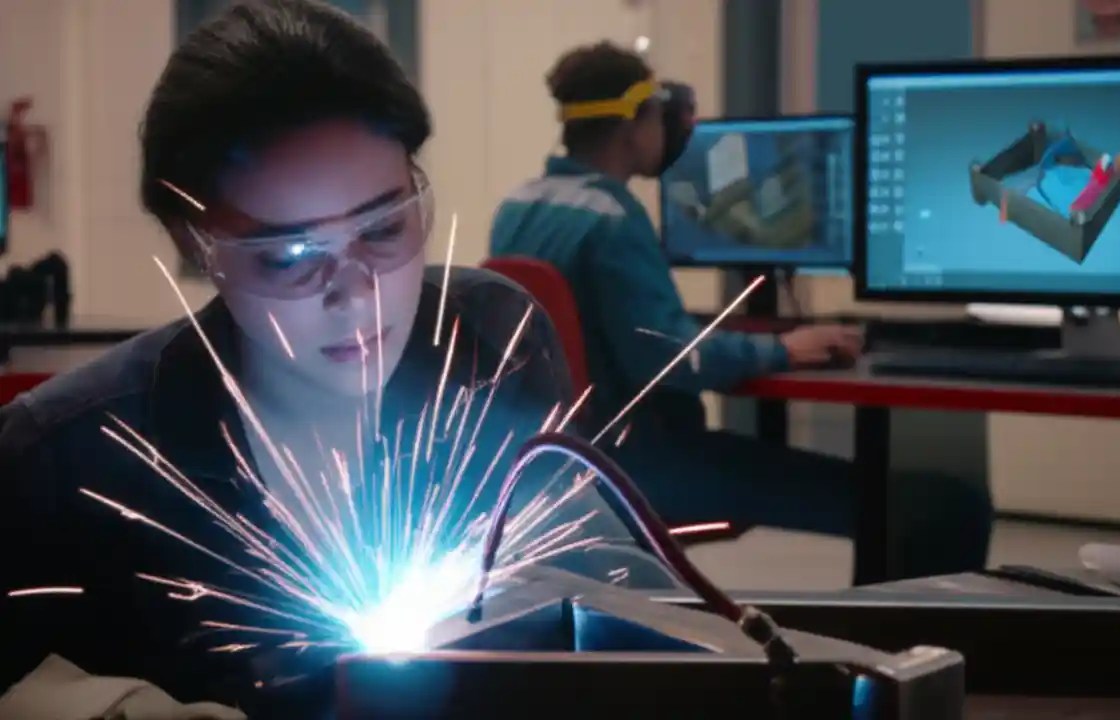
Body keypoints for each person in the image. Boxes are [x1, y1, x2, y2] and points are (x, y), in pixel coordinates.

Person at [0, 1, 617, 715]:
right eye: (290, 255)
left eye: (385, 227)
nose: (356, 293)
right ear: (197, 245)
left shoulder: (492, 339)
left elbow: (583, 586)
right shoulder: (68, 458)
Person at [490, 42, 993, 558]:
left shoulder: (516, 206)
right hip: (641, 465)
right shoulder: (613, 219)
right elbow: (671, 359)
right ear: (633, 125)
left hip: (552, 463)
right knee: (948, 505)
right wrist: (784, 350)